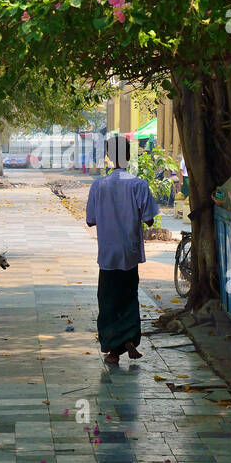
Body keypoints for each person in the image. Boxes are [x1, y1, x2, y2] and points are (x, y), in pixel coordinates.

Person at [86, 134, 160, 366]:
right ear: (128, 156)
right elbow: (149, 220)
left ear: (109, 156)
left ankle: (113, 351)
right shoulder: (139, 185)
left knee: (108, 300)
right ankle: (129, 338)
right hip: (129, 253)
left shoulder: (98, 186)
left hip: (107, 253)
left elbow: (91, 220)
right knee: (129, 296)